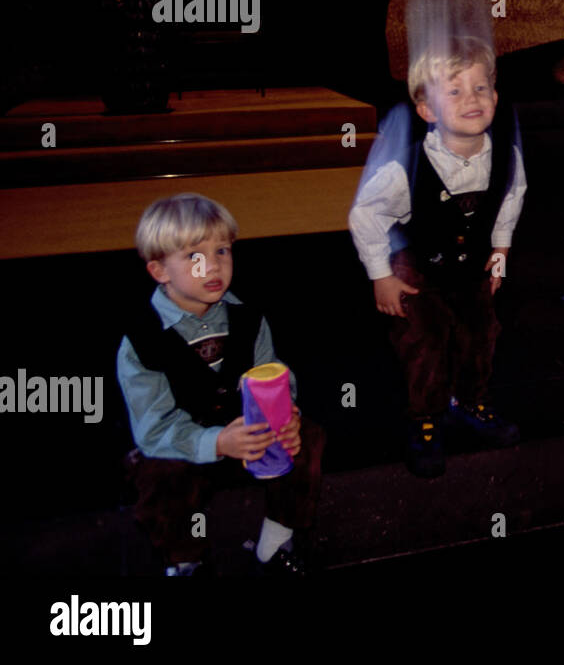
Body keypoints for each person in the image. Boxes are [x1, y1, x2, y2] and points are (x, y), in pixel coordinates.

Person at [118, 192, 323, 575]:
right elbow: (154, 425)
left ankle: (276, 539)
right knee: (162, 479)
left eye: (223, 251)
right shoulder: (141, 341)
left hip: (246, 433)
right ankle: (184, 559)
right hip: (182, 442)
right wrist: (216, 442)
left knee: (308, 438)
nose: (212, 267)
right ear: (160, 271)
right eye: (195, 257)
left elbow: (271, 375)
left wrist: (286, 418)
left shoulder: (247, 318)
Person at [349, 35, 526, 477]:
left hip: (472, 266)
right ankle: (425, 417)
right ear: (427, 110)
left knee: (480, 334)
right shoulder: (404, 167)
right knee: (423, 342)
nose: (472, 98)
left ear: (495, 95)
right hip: (419, 267)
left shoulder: (505, 154)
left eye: (481, 88)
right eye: (455, 90)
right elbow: (365, 215)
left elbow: (511, 196)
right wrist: (380, 275)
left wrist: (501, 249)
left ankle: (469, 401)